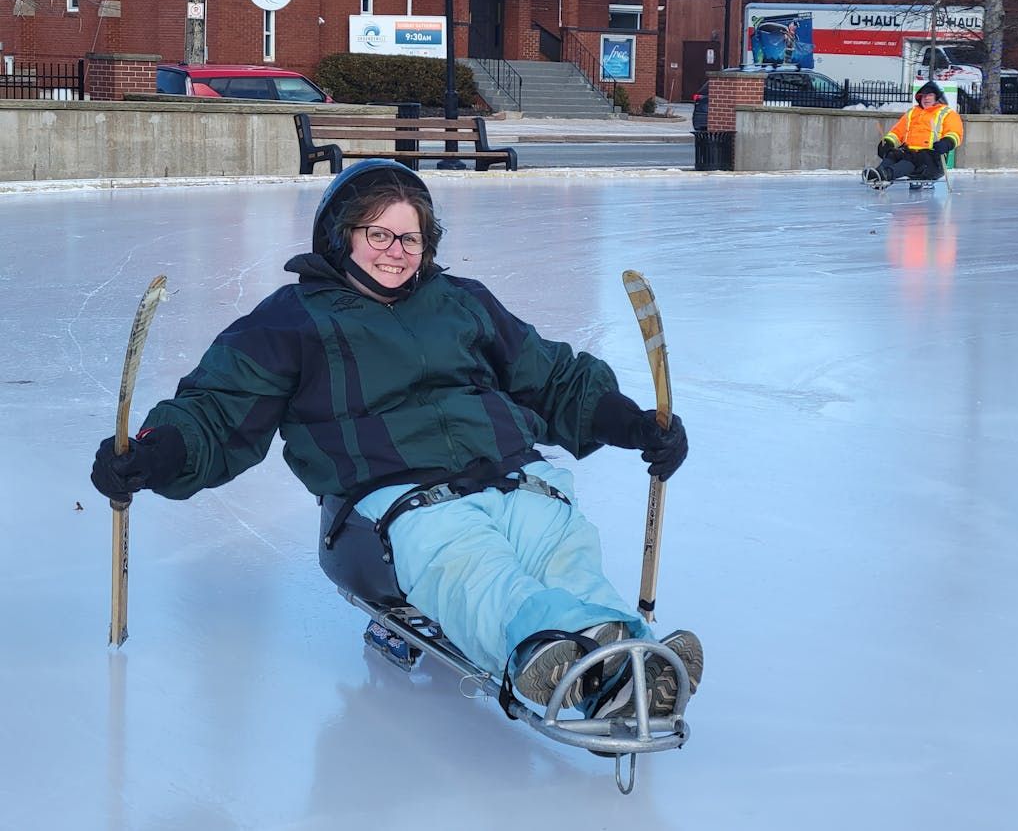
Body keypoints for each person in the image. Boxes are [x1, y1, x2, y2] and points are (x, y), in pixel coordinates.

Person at [90, 159, 702, 721]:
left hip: (517, 477)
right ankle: (546, 647)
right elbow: (219, 409)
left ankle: (629, 658)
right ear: (341, 236)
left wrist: (630, 422)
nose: (396, 252)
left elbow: (551, 377)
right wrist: (157, 451)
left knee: (567, 555)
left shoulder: (461, 302)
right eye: (378, 234)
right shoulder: (292, 320)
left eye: (411, 239)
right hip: (404, 500)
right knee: (476, 569)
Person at [863, 80, 964, 187]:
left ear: (936, 97)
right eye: (923, 96)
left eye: (930, 95)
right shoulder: (912, 113)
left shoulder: (947, 113)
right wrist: (888, 142)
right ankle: (878, 173)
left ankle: (886, 174)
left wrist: (947, 143)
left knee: (913, 158)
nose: (926, 98)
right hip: (910, 153)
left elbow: (955, 133)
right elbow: (898, 132)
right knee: (894, 154)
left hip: (933, 159)